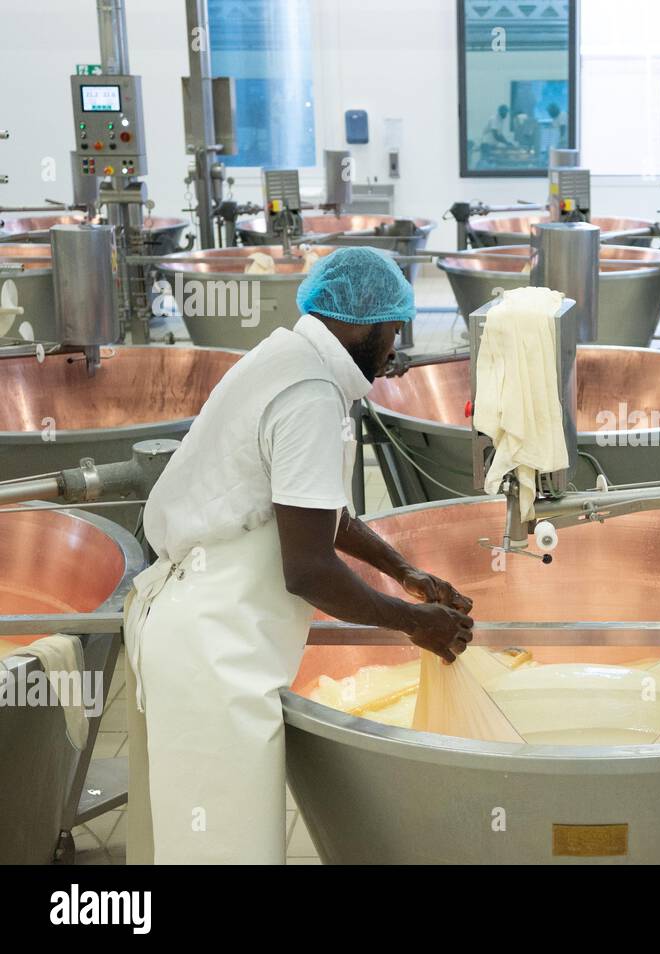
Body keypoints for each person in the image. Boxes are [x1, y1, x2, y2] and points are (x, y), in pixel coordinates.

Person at [123, 247, 474, 864]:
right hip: (213, 649)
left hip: (200, 630)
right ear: (363, 325)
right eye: (393, 330)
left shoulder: (285, 358)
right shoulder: (309, 392)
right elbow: (307, 568)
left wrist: (403, 571)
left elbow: (318, 509)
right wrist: (413, 623)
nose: (395, 349)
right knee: (225, 847)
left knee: (194, 839)